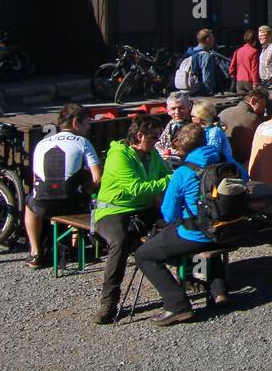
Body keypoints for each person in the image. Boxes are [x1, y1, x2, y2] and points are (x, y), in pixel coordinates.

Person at [134, 122, 235, 324]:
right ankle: (218, 290)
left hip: (199, 234)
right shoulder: (227, 162)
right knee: (205, 227)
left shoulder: (183, 172)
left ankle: (176, 304)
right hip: (230, 228)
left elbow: (169, 214)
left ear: (182, 147)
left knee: (144, 254)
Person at [92, 114, 171, 324]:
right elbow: (135, 189)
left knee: (180, 225)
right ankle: (108, 301)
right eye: (154, 137)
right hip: (114, 210)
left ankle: (189, 279)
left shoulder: (152, 153)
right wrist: (171, 180)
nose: (157, 141)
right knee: (120, 242)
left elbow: (167, 172)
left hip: (143, 209)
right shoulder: (119, 156)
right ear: (139, 135)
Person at [25, 103, 101, 269]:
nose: (88, 128)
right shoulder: (83, 142)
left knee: (29, 204)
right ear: (75, 122)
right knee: (80, 193)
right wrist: (90, 190)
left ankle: (35, 251)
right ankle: (74, 247)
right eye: (87, 123)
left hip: (42, 205)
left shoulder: (42, 143)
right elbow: (97, 177)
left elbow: (35, 180)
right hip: (72, 205)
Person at [192, 100, 246, 178]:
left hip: (223, 169)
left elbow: (213, 154)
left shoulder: (214, 132)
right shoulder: (199, 130)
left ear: (200, 118)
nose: (191, 118)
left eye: (193, 116)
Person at [218, 86, 268, 165]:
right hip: (243, 163)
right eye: (262, 106)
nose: (263, 110)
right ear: (253, 101)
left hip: (222, 162)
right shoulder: (254, 120)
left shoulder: (223, 112)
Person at [185, 28, 229, 96]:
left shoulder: (189, 52)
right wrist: (210, 92)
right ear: (208, 39)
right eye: (212, 37)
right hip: (201, 93)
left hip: (188, 90)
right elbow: (207, 77)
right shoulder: (206, 56)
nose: (214, 40)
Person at [156, 91, 194, 163]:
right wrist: (163, 152)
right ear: (168, 110)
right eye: (173, 109)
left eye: (181, 108)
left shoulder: (193, 125)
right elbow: (160, 144)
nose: (177, 112)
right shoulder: (171, 123)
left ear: (189, 107)